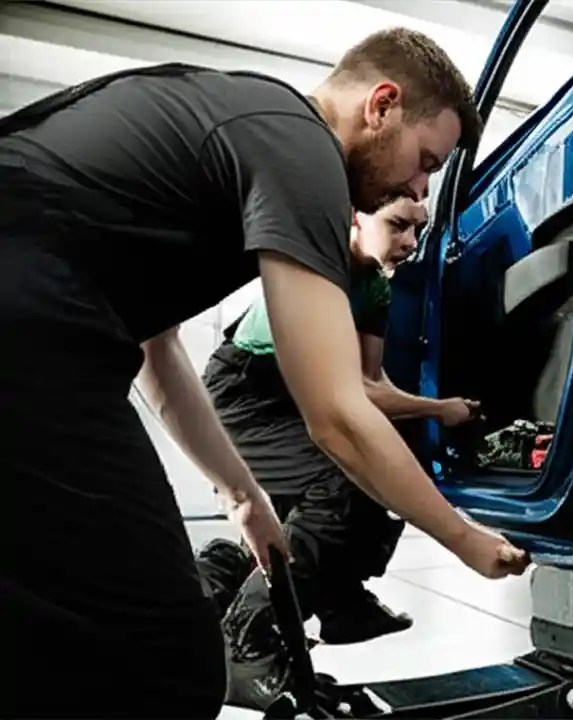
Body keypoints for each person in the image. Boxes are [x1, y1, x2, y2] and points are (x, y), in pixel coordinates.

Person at [0, 27, 529, 719]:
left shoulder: (239, 123)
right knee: (163, 657)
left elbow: (160, 353)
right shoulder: (300, 145)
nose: (419, 188)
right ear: (382, 104)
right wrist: (466, 540)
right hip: (29, 322)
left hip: (40, 317)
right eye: (425, 160)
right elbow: (337, 413)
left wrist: (244, 496)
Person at [196, 197, 478, 651]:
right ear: (355, 217)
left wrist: (429, 411)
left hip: (291, 394)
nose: (409, 242)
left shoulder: (376, 288)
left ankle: (341, 604)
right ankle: (251, 630)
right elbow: (354, 390)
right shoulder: (316, 272)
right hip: (244, 395)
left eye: (417, 232)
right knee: (341, 484)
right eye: (398, 225)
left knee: (390, 465)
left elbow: (371, 380)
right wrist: (439, 409)